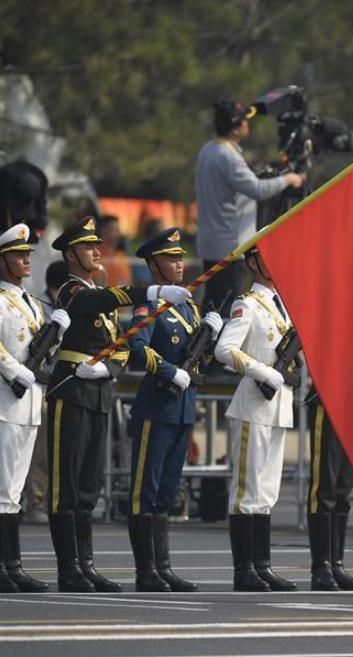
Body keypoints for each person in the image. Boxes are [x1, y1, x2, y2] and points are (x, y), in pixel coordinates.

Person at [47, 215, 192, 593]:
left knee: (90, 486)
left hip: (97, 393)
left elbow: (122, 345)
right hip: (71, 391)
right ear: (71, 254)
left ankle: (86, 566)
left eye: (98, 245)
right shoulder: (71, 290)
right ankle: (69, 569)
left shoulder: (102, 292)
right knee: (68, 484)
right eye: (88, 246)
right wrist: (150, 293)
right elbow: (93, 303)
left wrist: (108, 369)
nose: (98, 251)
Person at [125, 228, 223, 591]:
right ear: (153, 265)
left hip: (183, 408)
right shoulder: (150, 305)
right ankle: (145, 571)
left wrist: (211, 337)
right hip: (156, 406)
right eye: (171, 258)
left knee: (167, 491)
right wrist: (170, 371)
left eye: (181, 257)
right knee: (145, 490)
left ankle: (162, 567)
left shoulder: (188, 305)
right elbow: (137, 346)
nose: (179, 264)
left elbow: (200, 362)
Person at [213, 246, 297, 592]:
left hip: (279, 405)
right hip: (253, 404)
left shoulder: (285, 306)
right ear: (253, 262)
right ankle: (243, 569)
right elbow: (224, 349)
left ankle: (262, 566)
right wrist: (262, 371)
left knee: (266, 492)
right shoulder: (246, 304)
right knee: (247, 491)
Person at [0, 224, 69, 593]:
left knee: (13, 491)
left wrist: (56, 335)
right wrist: (16, 372)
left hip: (28, 404)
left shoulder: (34, 303)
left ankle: (13, 567)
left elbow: (43, 354)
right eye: (18, 254)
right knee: (2, 490)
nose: (26, 260)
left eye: (27, 254)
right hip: (5, 403)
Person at [194, 99, 305, 315]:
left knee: (213, 306)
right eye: (245, 121)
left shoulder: (208, 149)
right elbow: (257, 189)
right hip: (230, 245)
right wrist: (289, 179)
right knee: (226, 308)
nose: (248, 125)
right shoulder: (228, 156)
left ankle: (205, 347)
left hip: (210, 242)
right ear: (237, 127)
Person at [305, 393, 353, 592]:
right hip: (328, 399)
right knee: (324, 489)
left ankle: (336, 564)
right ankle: (321, 567)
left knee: (343, 489)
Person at [23, 261, 70, 524]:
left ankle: (49, 499)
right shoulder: (40, 306)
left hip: (57, 385)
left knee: (54, 448)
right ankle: (36, 501)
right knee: (40, 450)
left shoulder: (61, 308)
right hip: (37, 386)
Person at [95, 215, 132, 287]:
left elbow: (127, 282)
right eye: (114, 229)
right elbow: (98, 282)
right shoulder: (95, 255)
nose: (118, 233)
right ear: (102, 231)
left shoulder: (122, 255)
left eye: (118, 230)